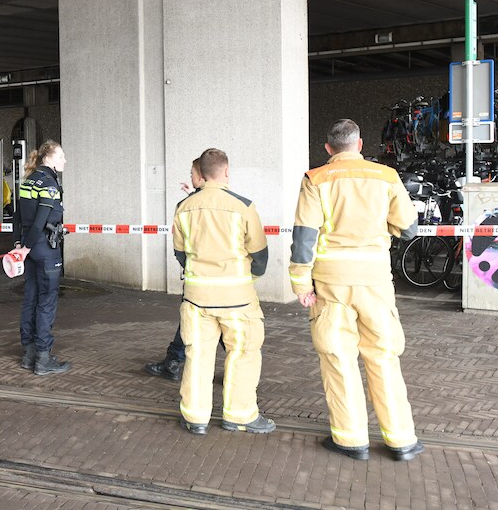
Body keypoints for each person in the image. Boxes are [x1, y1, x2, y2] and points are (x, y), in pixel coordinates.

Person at [290, 119, 424, 462]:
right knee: (383, 356)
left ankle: (351, 440)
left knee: (338, 357)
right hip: (375, 281)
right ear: (360, 144)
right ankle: (401, 440)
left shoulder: (316, 179)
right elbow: (409, 229)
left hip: (331, 283)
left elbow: (304, 238)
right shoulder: (386, 176)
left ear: (328, 148)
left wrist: (301, 283)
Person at [174, 148, 274, 436]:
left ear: (202, 174)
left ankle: (195, 418)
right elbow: (260, 256)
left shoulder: (184, 207)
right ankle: (239, 416)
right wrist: (247, 278)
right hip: (237, 300)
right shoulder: (243, 207)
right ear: (227, 172)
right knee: (243, 354)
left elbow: (180, 253)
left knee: (198, 355)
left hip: (196, 299)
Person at [143, 163, 205, 381]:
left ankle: (173, 361)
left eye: (192, 174)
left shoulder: (186, 207)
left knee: (193, 319)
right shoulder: (233, 204)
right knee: (203, 321)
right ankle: (173, 359)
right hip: (226, 281)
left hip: (198, 279)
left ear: (201, 176)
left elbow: (180, 248)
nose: (190, 177)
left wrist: (188, 266)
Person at [14, 140, 70, 376]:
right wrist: (27, 246)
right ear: (49, 158)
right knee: (46, 301)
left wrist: (19, 244)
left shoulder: (28, 180)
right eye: (61, 156)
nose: (64, 160)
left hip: (29, 247)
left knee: (30, 298)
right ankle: (43, 359)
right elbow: (40, 221)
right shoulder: (49, 183)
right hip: (44, 248)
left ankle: (29, 354)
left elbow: (17, 216)